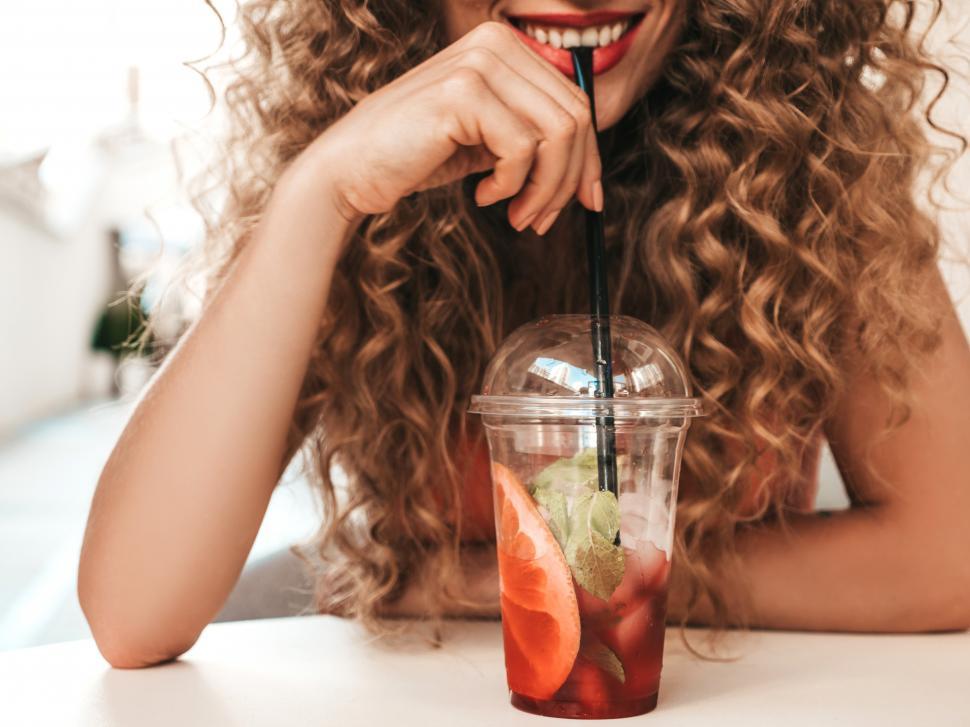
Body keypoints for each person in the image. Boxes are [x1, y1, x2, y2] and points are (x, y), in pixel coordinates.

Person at [78, 0, 970, 668]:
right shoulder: (357, 171)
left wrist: (494, 580)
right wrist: (325, 192)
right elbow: (131, 611)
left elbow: (950, 558)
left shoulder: (812, 154)